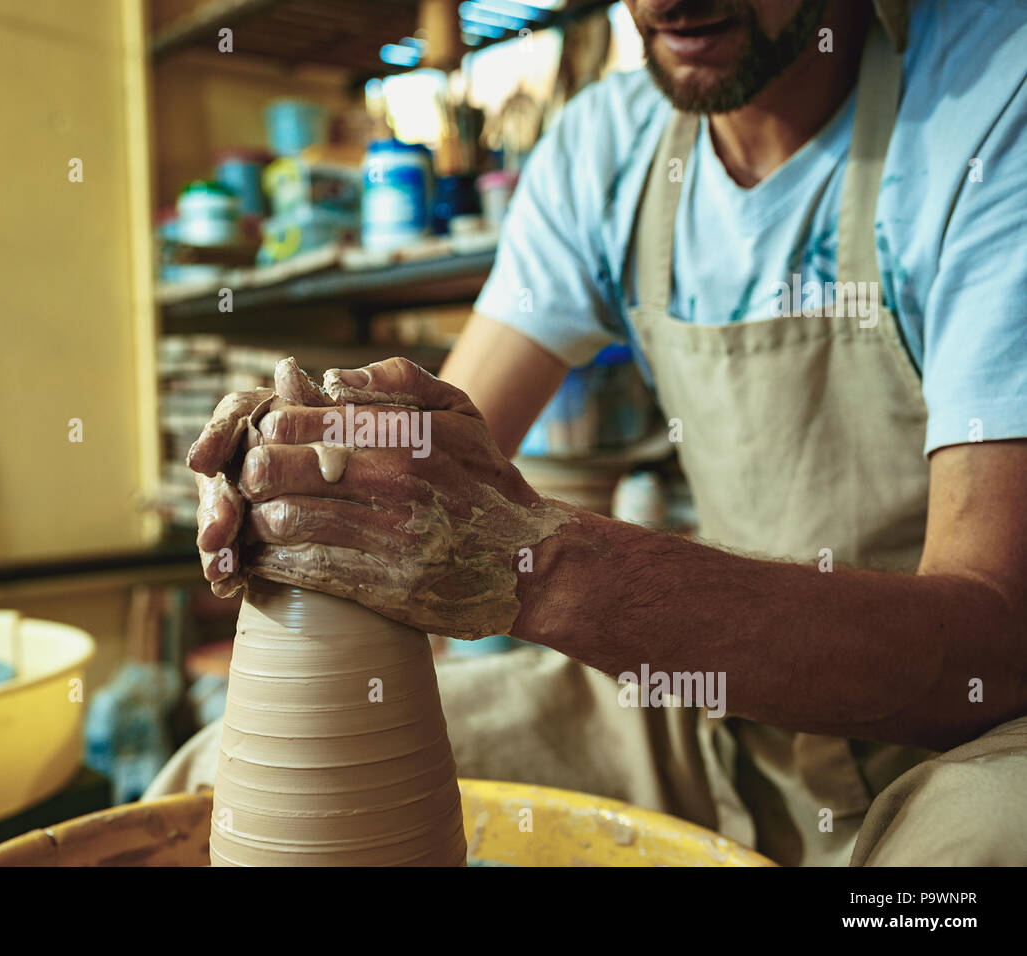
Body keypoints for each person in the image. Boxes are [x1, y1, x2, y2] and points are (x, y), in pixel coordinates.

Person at [153, 0, 1027, 866]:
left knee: (982, 848)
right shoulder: (607, 143)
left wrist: (539, 566)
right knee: (213, 781)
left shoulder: (992, 95)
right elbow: (414, 448)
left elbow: (993, 639)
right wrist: (307, 463)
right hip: (715, 709)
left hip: (960, 737)